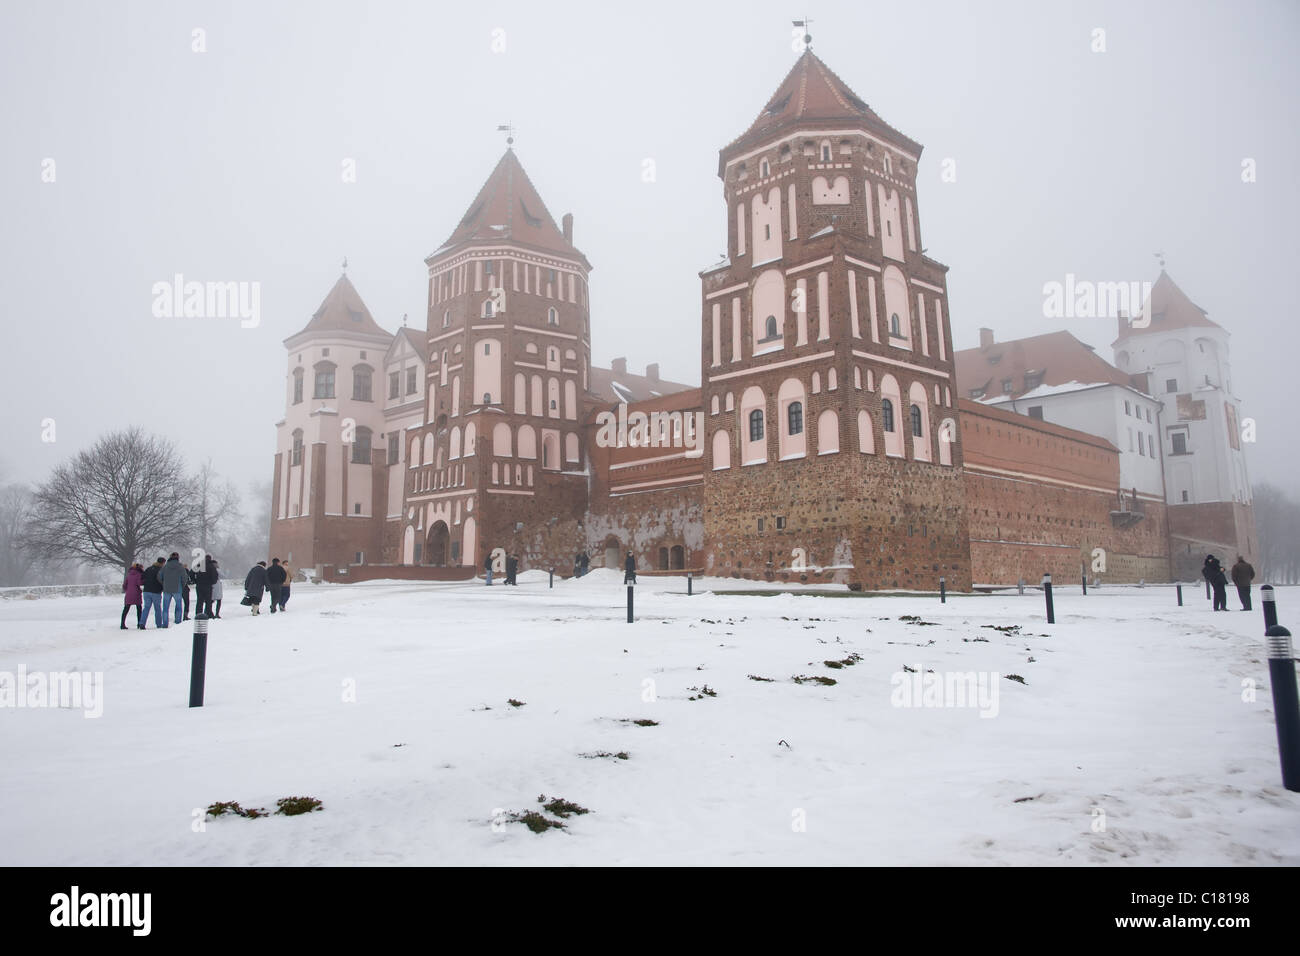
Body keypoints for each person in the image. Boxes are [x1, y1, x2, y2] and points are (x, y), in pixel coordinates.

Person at [160, 552, 188, 626]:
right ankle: (178, 622)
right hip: (177, 589)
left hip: (167, 589)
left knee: (165, 607)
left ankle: (165, 623)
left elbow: (159, 576)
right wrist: (182, 585)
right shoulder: (180, 567)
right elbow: (185, 578)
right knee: (178, 606)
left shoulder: (165, 567)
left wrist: (164, 583)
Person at [140, 557, 165, 628]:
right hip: (156, 591)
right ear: (162, 563)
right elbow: (162, 580)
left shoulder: (149, 569)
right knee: (157, 608)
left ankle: (142, 623)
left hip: (146, 591)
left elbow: (142, 577)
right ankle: (159, 624)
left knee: (146, 607)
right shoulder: (161, 570)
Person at [121, 563, 143, 629]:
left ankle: (122, 624)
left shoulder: (128, 575)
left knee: (126, 609)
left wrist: (127, 590)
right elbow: (139, 583)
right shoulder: (139, 574)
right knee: (139, 609)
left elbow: (124, 585)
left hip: (128, 594)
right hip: (136, 593)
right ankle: (139, 623)